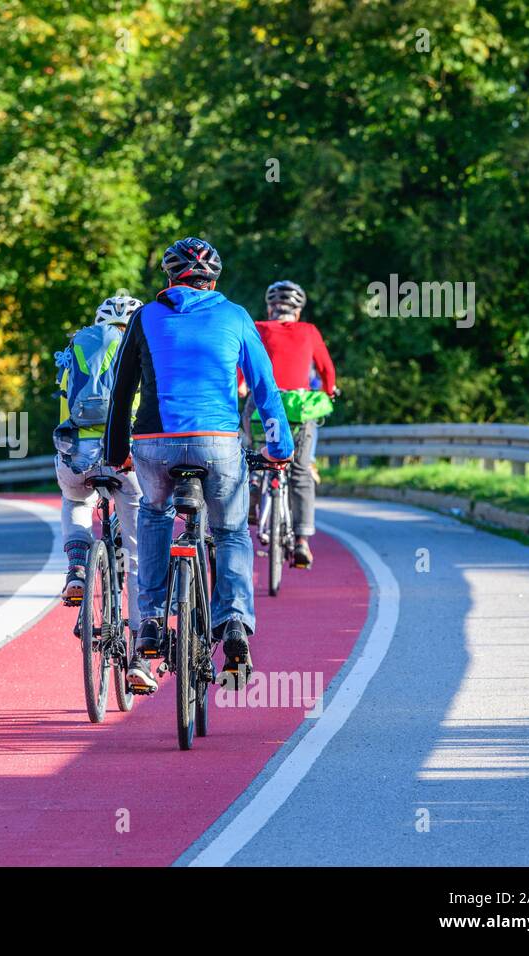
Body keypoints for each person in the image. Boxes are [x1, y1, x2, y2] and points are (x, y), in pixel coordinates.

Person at [104, 238, 293, 694]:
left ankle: (149, 621)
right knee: (230, 532)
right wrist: (279, 447)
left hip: (154, 444)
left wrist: (115, 453)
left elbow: (122, 389)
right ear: (215, 279)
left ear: (170, 279)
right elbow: (266, 389)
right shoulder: (237, 316)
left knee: (154, 513)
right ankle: (234, 628)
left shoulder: (145, 317)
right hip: (219, 443)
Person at [54, 295, 144, 634]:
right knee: (136, 556)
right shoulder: (140, 348)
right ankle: (140, 642)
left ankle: (77, 565)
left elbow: (64, 404)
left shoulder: (79, 348)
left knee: (75, 498)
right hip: (127, 453)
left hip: (79, 452)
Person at [244, 280, 337, 568]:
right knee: (300, 471)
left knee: (251, 456)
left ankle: (252, 497)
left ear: (270, 308)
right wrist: (329, 389)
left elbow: (242, 363)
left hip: (262, 408)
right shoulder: (309, 331)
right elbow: (326, 370)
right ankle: (301, 540)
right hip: (300, 410)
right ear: (297, 311)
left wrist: (238, 386)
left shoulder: (258, 328)